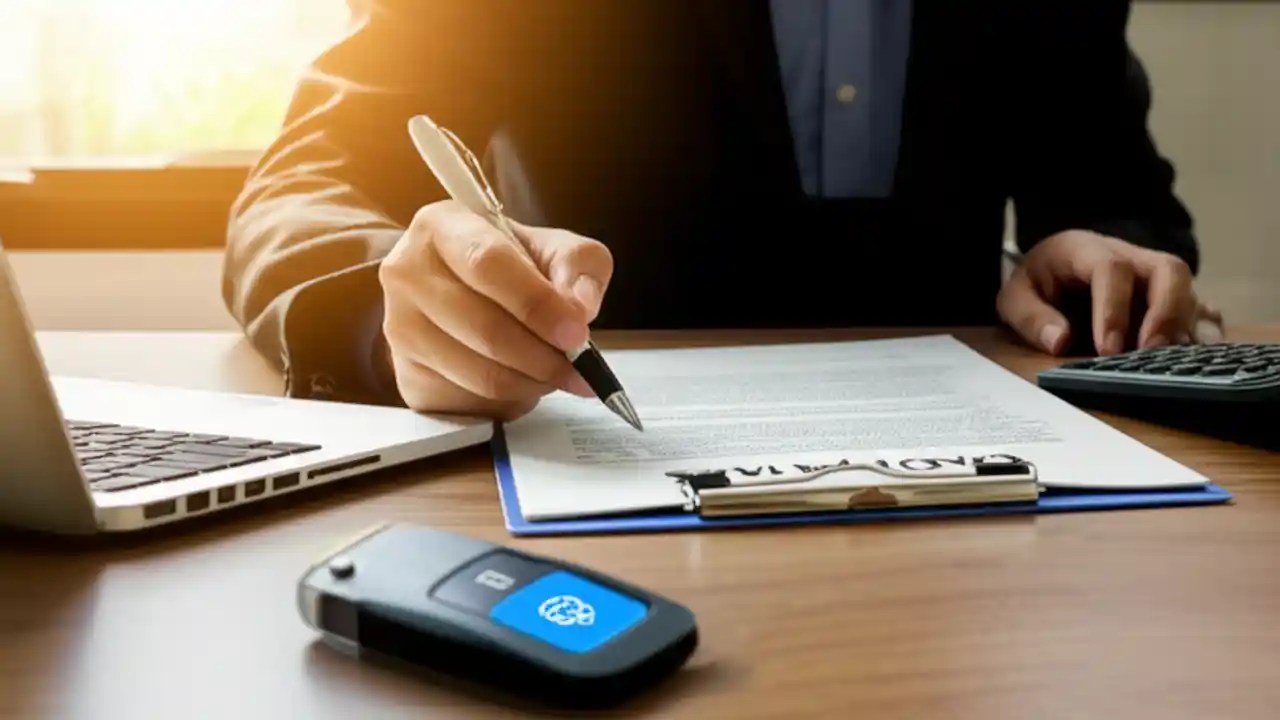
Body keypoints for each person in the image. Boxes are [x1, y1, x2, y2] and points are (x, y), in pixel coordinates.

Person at [223, 0, 1223, 420]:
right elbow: (302, 182)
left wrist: (1102, 253)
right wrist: (386, 312)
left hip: (994, 498)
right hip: (595, 467)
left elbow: (1119, 201)